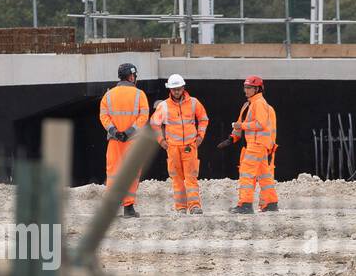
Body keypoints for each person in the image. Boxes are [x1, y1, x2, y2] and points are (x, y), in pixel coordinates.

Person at [218, 75, 277, 214]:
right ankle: (271, 203)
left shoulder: (259, 103)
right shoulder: (248, 104)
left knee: (246, 173)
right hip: (258, 145)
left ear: (257, 89)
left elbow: (259, 124)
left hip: (256, 144)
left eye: (249, 88)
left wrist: (241, 126)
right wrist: (232, 138)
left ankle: (245, 204)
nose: (246, 90)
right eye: (245, 87)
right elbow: (240, 123)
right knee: (264, 175)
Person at [151, 73, 208, 214]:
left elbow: (203, 119)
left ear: (183, 88)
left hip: (190, 145)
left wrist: (200, 136)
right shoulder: (164, 106)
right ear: (170, 89)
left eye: (179, 88)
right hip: (173, 147)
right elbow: (154, 124)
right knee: (177, 178)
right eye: (174, 89)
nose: (176, 91)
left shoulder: (194, 102)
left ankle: (195, 206)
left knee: (191, 177)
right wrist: (161, 141)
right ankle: (181, 207)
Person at [99, 62, 150, 217]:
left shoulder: (108, 95)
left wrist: (115, 132)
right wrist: (129, 132)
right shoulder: (139, 94)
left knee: (113, 173)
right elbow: (144, 116)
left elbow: (103, 116)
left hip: (114, 142)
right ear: (131, 76)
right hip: (133, 141)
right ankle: (128, 208)